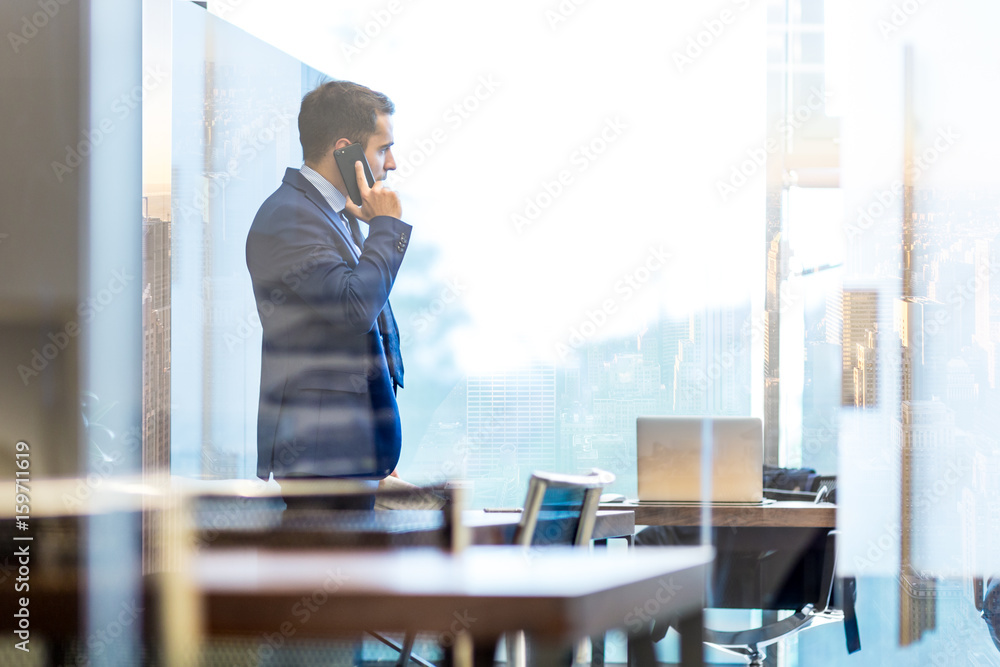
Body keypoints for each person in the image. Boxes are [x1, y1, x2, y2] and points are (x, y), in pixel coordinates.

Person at [246, 80, 410, 511]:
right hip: (323, 460)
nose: (391, 163)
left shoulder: (329, 215)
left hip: (347, 456)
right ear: (345, 150)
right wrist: (387, 228)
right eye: (382, 149)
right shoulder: (291, 218)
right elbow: (354, 308)